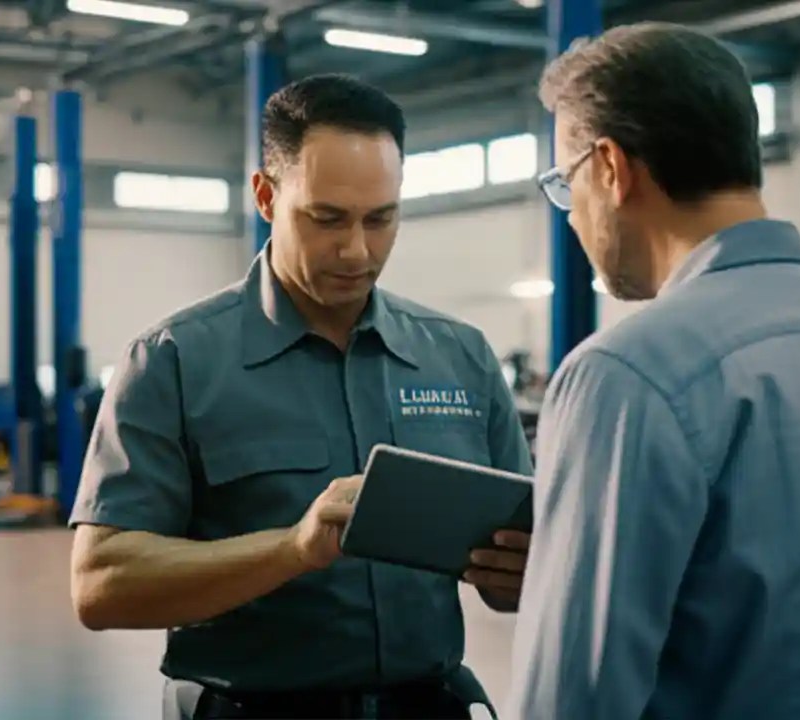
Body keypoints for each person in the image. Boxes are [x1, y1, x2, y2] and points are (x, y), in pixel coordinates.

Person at [508, 22, 800, 720]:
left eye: (563, 182)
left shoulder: (627, 375)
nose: (571, 217)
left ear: (609, 167)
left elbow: (572, 701)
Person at [68, 74, 534, 720]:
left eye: (381, 219)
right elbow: (101, 585)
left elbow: (527, 563)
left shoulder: (461, 357)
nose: (356, 250)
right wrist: (292, 550)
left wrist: (526, 576)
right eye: (326, 218)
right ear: (265, 195)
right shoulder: (173, 360)